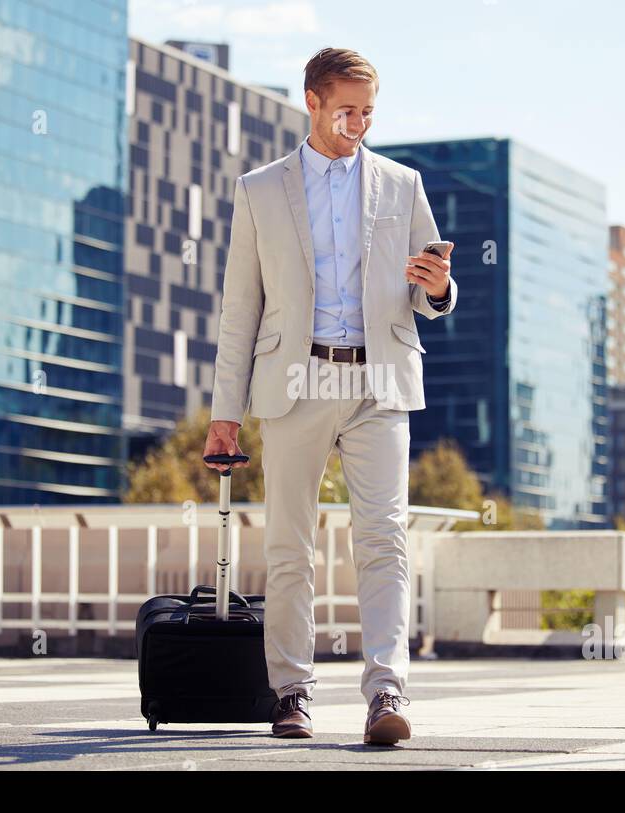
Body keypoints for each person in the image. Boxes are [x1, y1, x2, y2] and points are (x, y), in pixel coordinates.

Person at [203, 47, 458, 745]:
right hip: (294, 380)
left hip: (380, 379)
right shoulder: (261, 190)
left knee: (384, 542)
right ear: (311, 102)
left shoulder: (402, 184)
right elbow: (239, 307)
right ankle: (291, 692)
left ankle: (386, 695)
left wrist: (436, 288)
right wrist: (224, 414)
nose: (359, 124)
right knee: (291, 546)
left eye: (369, 112)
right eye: (347, 110)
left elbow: (427, 285)